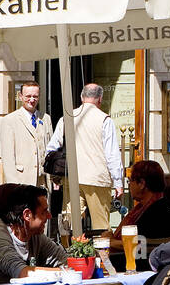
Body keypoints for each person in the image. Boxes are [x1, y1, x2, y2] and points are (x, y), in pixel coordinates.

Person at [45, 83, 123, 233]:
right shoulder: (104, 120)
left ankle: (69, 253)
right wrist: (118, 183)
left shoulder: (66, 118)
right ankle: (103, 255)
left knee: (69, 222)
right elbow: (112, 155)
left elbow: (52, 148)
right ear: (100, 99)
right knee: (101, 225)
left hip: (71, 177)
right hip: (97, 178)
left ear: (81, 97)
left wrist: (55, 175)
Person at [0, 184, 66, 285]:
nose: (49, 216)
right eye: (44, 211)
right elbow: (22, 273)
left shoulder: (34, 236)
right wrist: (65, 273)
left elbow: (62, 258)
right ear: (27, 215)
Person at [0, 81, 52, 187]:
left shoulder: (46, 118)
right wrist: (13, 185)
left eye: (35, 96)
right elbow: (8, 158)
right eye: (28, 96)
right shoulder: (9, 120)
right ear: (21, 96)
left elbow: (50, 151)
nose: (32, 100)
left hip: (42, 182)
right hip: (21, 181)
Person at [123, 160, 170, 239]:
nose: (129, 184)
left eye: (130, 180)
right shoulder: (150, 206)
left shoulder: (156, 212)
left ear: (141, 184)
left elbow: (138, 243)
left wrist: (111, 242)